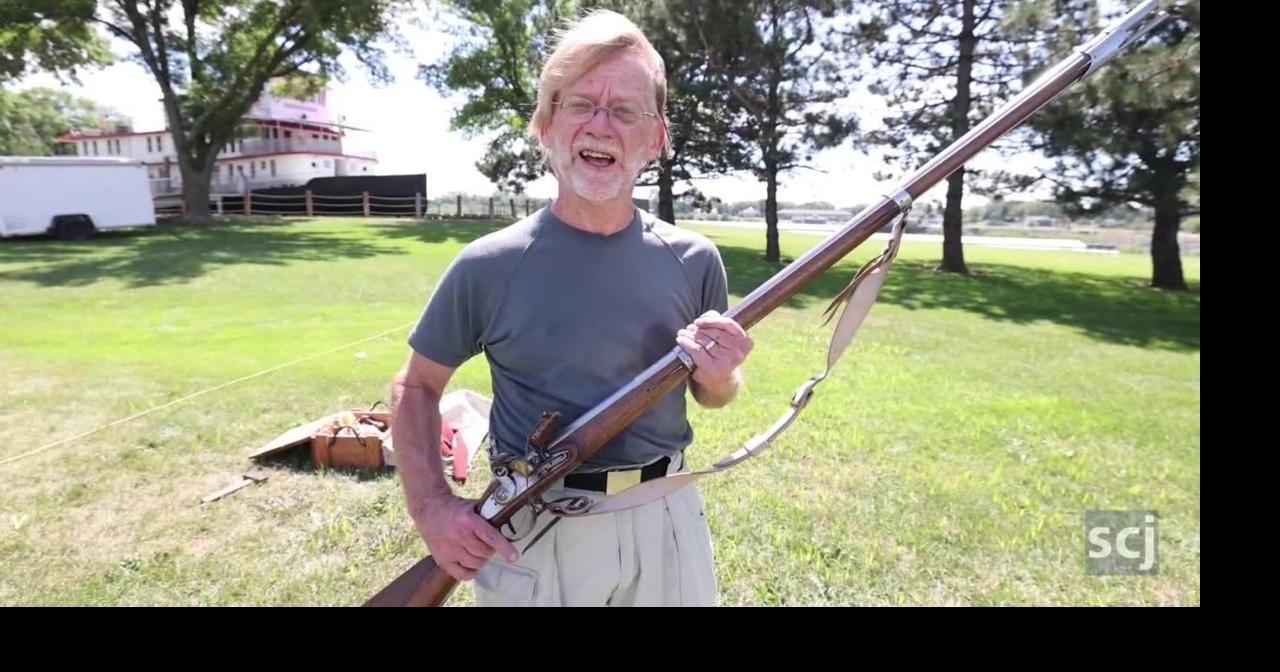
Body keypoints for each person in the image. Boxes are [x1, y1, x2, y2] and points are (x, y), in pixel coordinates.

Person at [389, 9, 753, 607]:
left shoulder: (695, 259)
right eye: (580, 104)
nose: (600, 125)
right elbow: (417, 386)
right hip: (535, 526)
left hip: (666, 515)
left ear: (655, 138)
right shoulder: (488, 264)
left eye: (625, 110)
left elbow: (712, 394)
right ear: (545, 128)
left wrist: (721, 376)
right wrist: (431, 507)